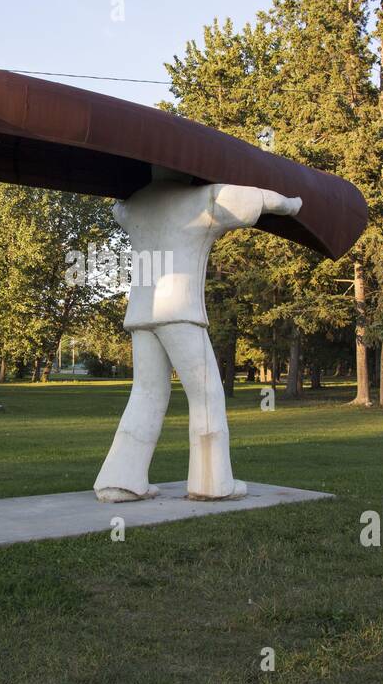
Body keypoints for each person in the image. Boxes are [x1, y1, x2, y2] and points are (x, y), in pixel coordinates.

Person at [94, 177, 302, 503]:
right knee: (206, 394)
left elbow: (117, 209)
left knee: (146, 393)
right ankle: (212, 483)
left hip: (142, 310)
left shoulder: (133, 204)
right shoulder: (204, 198)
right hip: (179, 309)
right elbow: (258, 198)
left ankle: (120, 481)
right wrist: (292, 204)